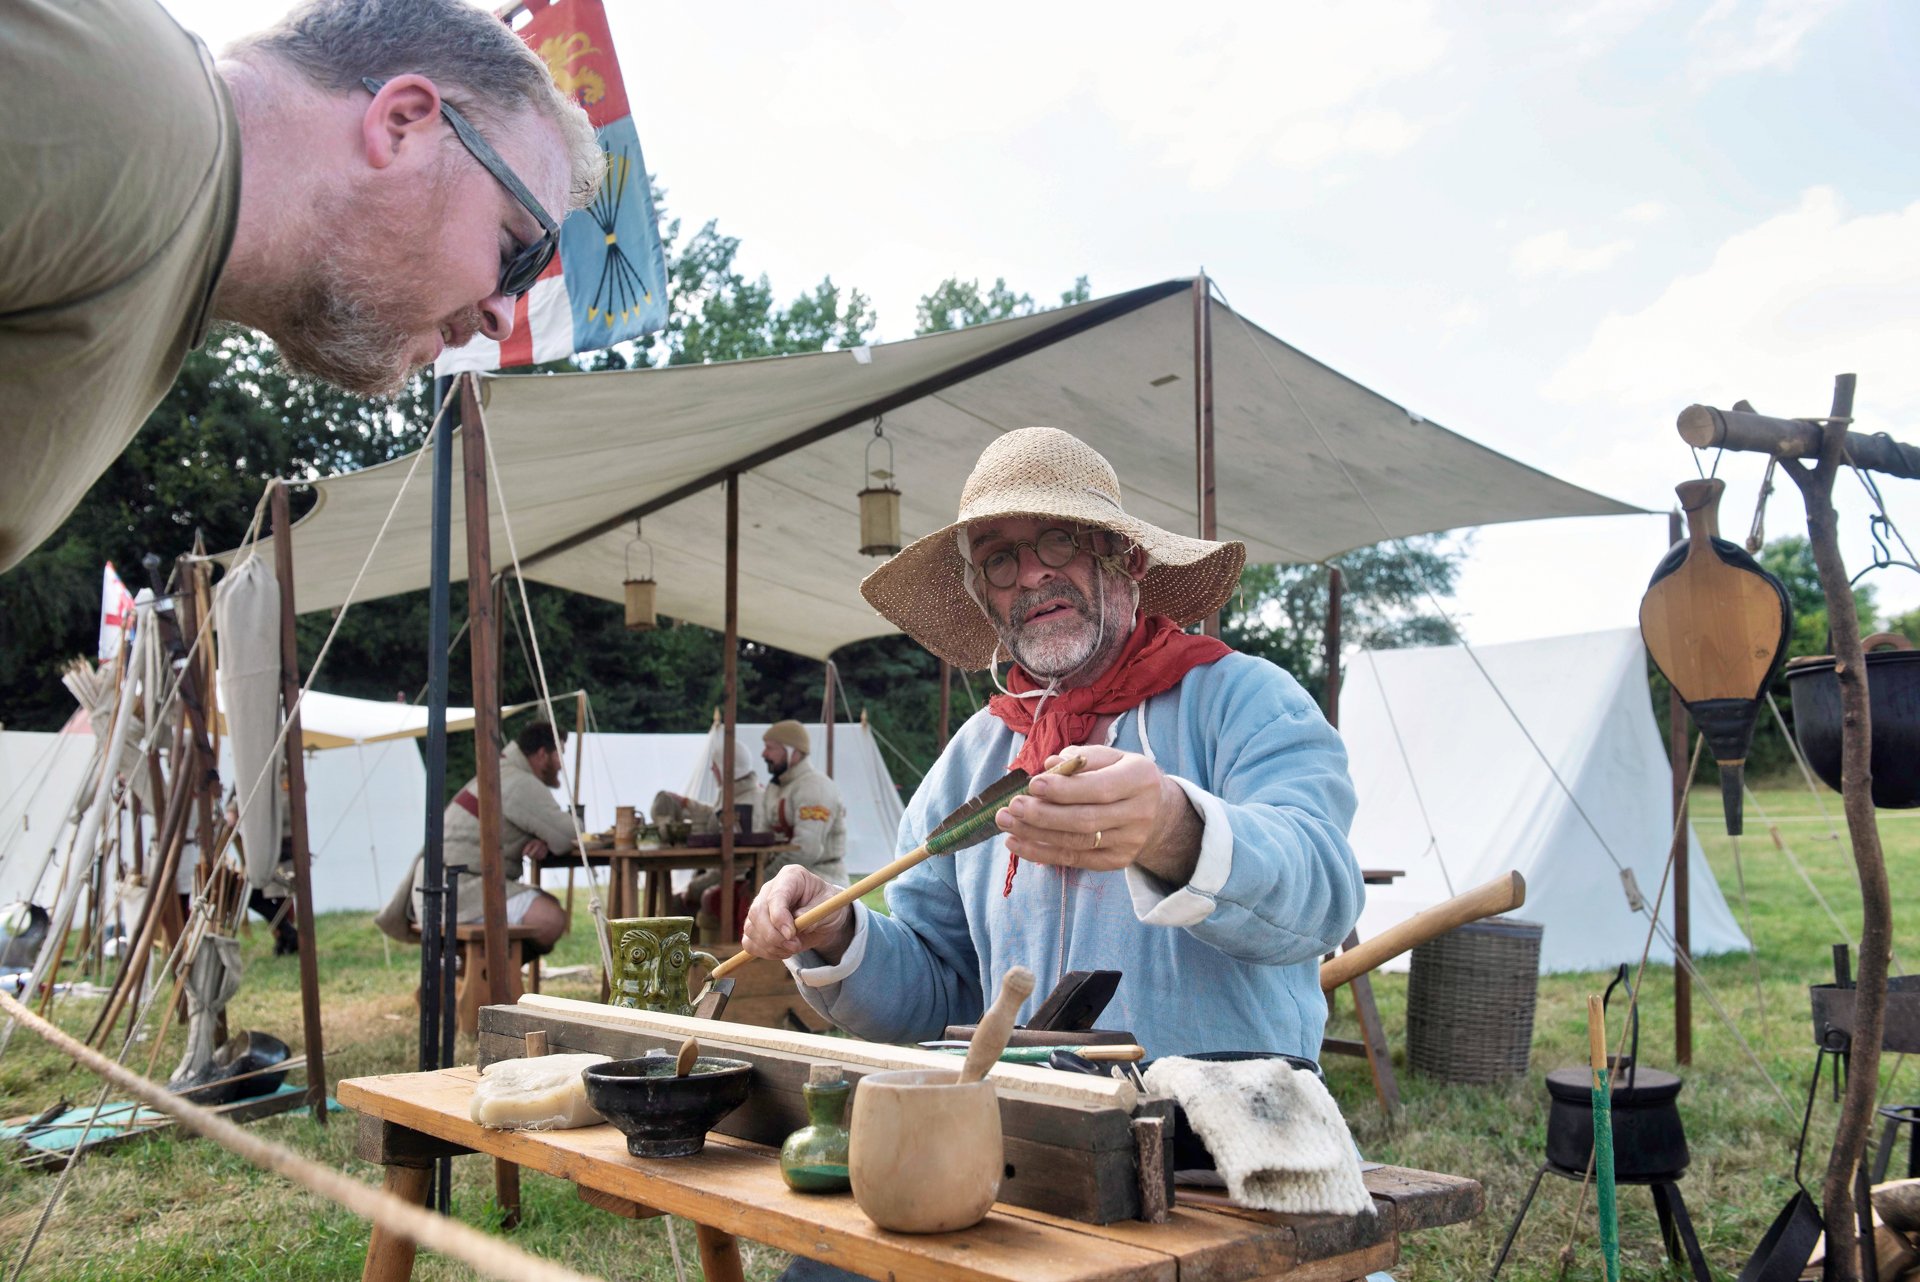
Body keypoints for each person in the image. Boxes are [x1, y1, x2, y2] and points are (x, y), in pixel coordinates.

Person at [740, 428, 1365, 1063]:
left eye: (1060, 538)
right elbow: (941, 994)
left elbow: (1326, 896)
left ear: (1129, 558)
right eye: (999, 558)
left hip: (1230, 1136)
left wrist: (1175, 829)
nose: (1033, 572)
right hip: (1028, 1137)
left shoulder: (1243, 699)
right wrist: (839, 931)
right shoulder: (973, 758)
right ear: (985, 599)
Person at [0, 0, 606, 572]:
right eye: (516, 254)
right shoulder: (125, 102)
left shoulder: (164, 260)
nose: (503, 315)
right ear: (402, 123)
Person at [407, 721, 574, 951]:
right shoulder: (519, 782)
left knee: (549, 906)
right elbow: (567, 836)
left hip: (439, 888)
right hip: (455, 892)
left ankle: (481, 978)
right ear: (542, 754)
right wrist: (555, 834)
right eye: (560, 755)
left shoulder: (501, 773)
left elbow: (550, 833)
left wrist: (542, 838)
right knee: (550, 919)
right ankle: (487, 980)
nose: (562, 765)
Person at [754, 721, 848, 888]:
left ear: (793, 751)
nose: (764, 754)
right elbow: (764, 838)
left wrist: (764, 879)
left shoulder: (815, 787)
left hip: (822, 883)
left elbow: (806, 850)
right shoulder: (774, 788)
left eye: (770, 748)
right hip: (785, 882)